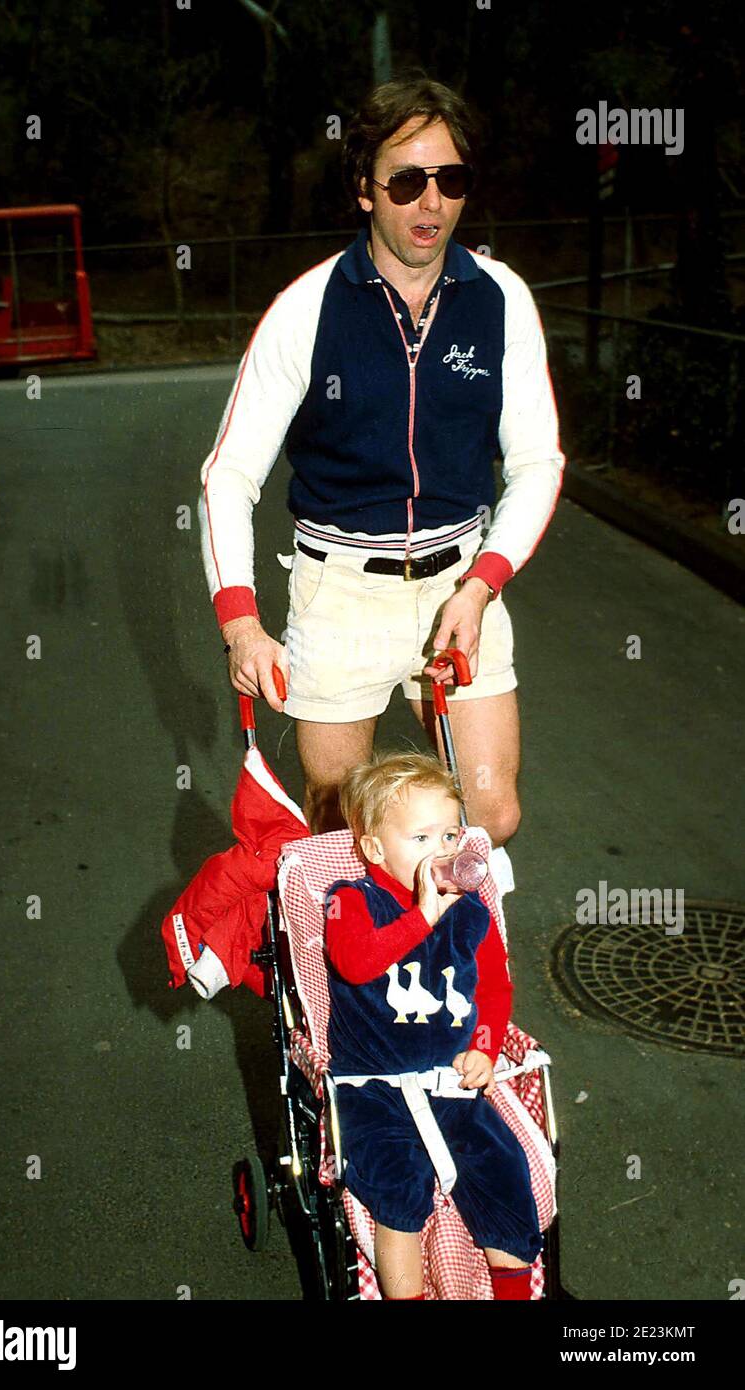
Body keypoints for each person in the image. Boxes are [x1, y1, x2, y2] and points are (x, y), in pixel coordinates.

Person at [199, 74, 565, 848]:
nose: (430, 204)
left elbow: (537, 461)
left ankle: (443, 960)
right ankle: (361, 963)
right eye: (406, 181)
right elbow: (229, 473)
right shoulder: (308, 308)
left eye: (450, 180)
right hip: (339, 595)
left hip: (459, 584)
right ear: (365, 189)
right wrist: (241, 624)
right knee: (343, 837)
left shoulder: (500, 299)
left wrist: (481, 587)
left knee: (490, 816)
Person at [322, 750, 542, 1300]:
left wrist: (485, 1048)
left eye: (448, 837)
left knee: (502, 1166)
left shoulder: (470, 913)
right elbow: (356, 962)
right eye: (420, 840)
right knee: (398, 1179)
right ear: (374, 848)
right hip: (372, 1085)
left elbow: (493, 988)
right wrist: (420, 917)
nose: (440, 853)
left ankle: (514, 1289)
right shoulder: (351, 902)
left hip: (448, 1079)